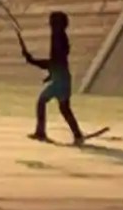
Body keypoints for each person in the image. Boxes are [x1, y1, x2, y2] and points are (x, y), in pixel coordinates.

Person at [24, 11, 85, 145]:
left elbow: (54, 62)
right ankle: (77, 135)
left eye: (52, 22)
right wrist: (50, 75)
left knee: (42, 102)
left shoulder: (58, 38)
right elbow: (58, 62)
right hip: (62, 78)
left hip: (60, 79)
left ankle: (41, 132)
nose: (50, 24)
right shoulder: (60, 37)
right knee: (64, 108)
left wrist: (33, 61)